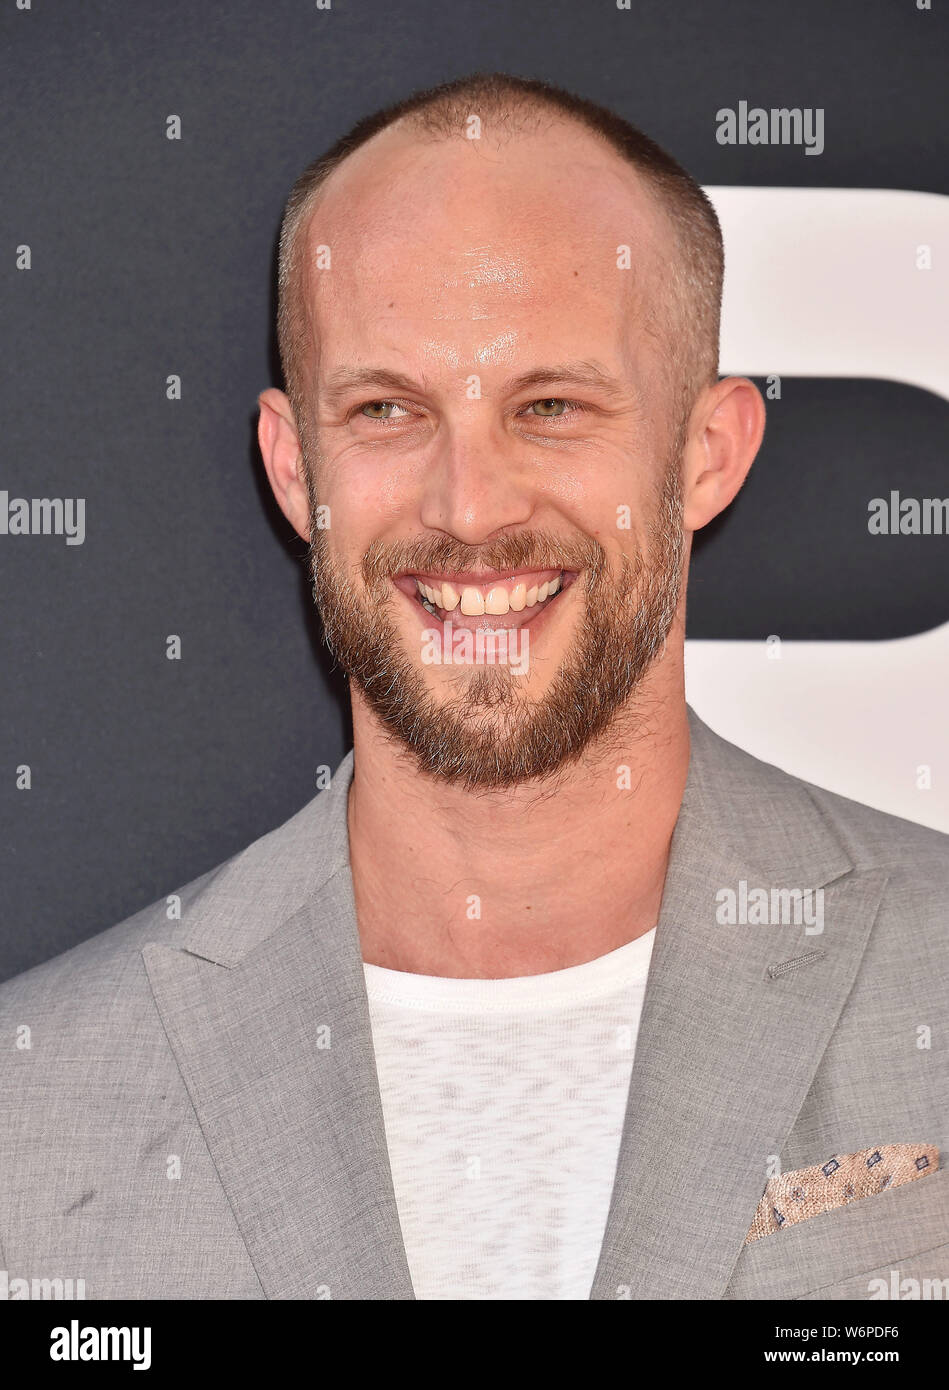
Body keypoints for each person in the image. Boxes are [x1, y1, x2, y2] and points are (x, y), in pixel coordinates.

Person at [1, 73, 946, 1302]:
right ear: (296, 472)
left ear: (705, 455)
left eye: (549, 406)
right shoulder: (38, 1112)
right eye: (388, 408)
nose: (471, 508)